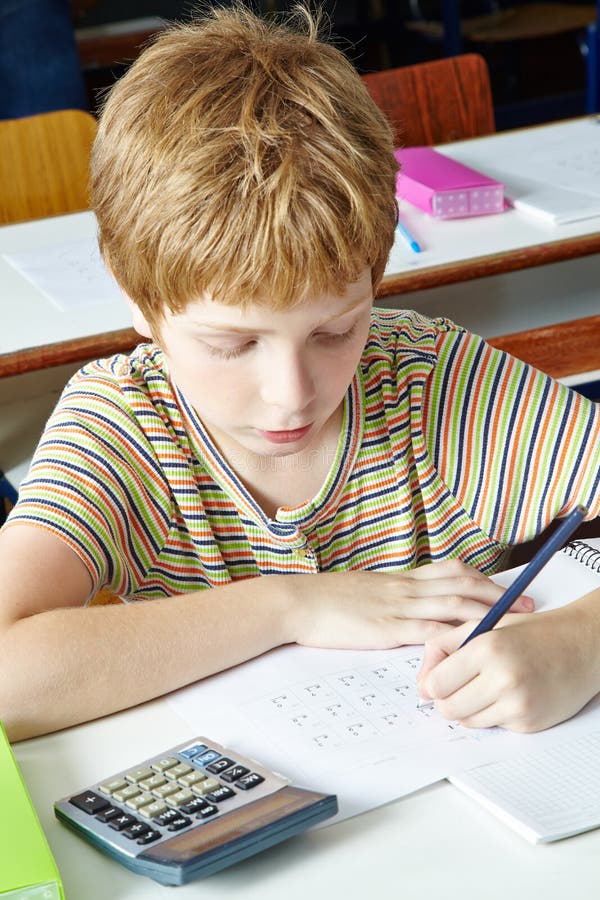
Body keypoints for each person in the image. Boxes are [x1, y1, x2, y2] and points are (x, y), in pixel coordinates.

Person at [0, 4, 598, 743]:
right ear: (139, 305)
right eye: (231, 344)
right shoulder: (121, 423)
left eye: (335, 331)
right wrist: (291, 604)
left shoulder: (430, 382)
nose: (293, 392)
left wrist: (583, 643)